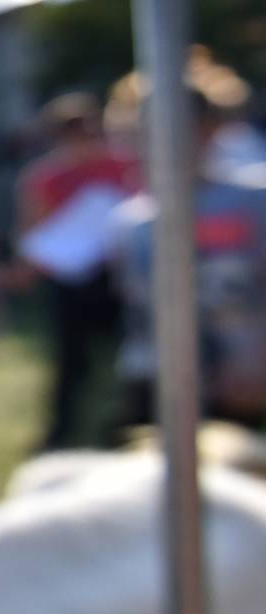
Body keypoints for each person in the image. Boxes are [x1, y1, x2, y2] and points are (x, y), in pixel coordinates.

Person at [108, 63, 266, 429]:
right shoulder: (131, 221)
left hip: (241, 375)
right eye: (146, 131)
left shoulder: (253, 200)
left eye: (182, 128)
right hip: (156, 376)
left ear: (211, 128)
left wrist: (255, 359)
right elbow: (137, 305)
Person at [14, 93, 140, 450]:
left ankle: (124, 428)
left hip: (119, 277)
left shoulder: (126, 164)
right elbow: (31, 230)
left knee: (130, 357)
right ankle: (60, 432)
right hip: (69, 280)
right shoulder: (45, 176)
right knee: (71, 360)